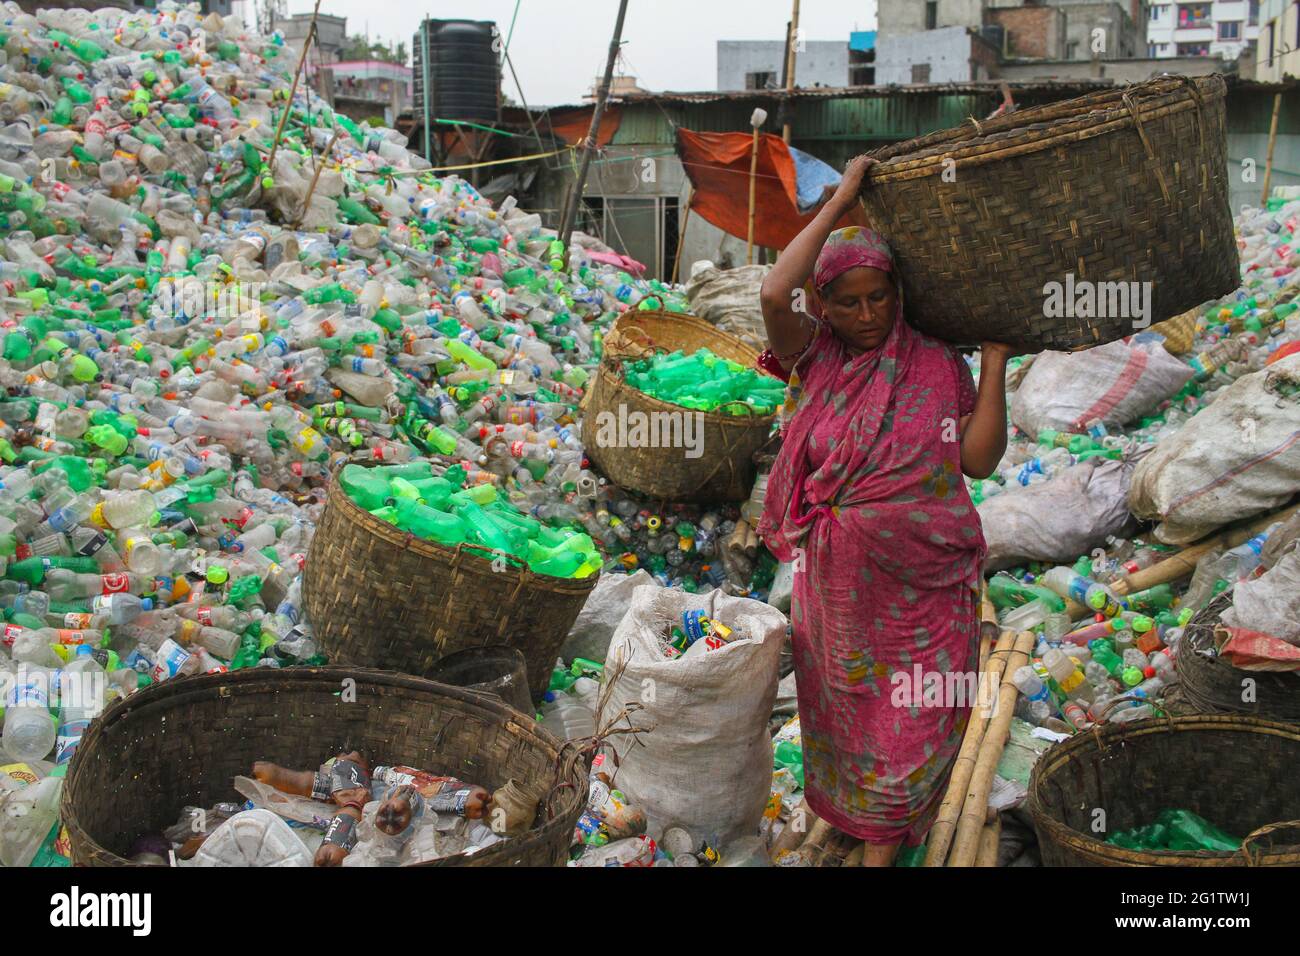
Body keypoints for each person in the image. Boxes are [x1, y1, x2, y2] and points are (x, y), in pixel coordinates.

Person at [756, 155, 1014, 866]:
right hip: (843, 591)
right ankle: (870, 825)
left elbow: (978, 461)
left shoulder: (935, 364)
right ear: (825, 306)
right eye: (849, 301)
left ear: (898, 295)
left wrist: (993, 364)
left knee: (919, 711)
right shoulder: (815, 359)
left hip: (928, 583)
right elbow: (776, 290)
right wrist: (842, 199)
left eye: (879, 298)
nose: (866, 315)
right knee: (852, 715)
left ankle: (882, 836)